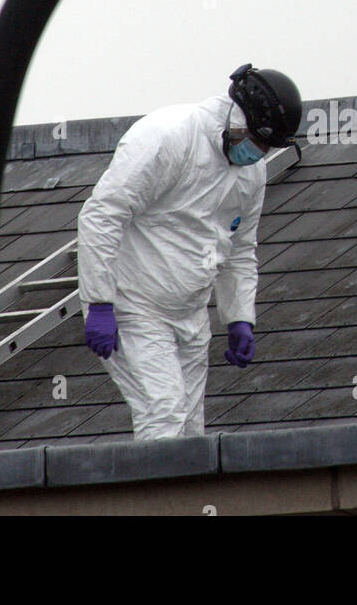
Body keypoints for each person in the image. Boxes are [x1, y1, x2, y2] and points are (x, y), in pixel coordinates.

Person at [76, 63, 302, 440]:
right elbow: (102, 215)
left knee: (191, 433)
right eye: (259, 140)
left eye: (268, 147)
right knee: (164, 416)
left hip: (190, 315)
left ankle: (180, 502)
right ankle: (154, 501)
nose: (259, 153)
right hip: (134, 305)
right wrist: (100, 302)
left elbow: (240, 248)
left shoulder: (252, 173)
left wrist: (239, 317)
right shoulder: (168, 137)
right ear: (237, 114)